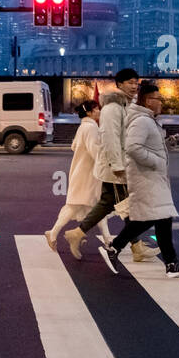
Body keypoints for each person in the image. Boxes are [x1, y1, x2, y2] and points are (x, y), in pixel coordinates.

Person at [100, 82, 179, 278]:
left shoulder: (147, 120)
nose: (161, 103)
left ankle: (167, 262)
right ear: (148, 100)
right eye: (159, 99)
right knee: (156, 217)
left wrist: (167, 144)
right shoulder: (142, 121)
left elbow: (147, 146)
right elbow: (134, 148)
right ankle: (170, 263)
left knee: (158, 217)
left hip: (151, 177)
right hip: (147, 178)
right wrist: (157, 161)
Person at [64, 69, 155, 262]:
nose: (134, 86)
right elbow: (110, 137)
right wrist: (117, 165)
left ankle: (77, 233)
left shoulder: (125, 106)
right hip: (116, 167)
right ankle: (136, 246)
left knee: (107, 204)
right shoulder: (113, 108)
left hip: (120, 165)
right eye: (130, 82)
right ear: (119, 84)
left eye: (135, 83)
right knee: (129, 208)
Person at [45, 101, 114, 250]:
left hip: (83, 174)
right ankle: (52, 233)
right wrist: (110, 163)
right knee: (85, 206)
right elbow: (95, 151)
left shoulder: (84, 126)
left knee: (92, 206)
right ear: (89, 112)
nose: (99, 112)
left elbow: (74, 146)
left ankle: (108, 240)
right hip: (87, 175)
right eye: (96, 109)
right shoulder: (90, 128)